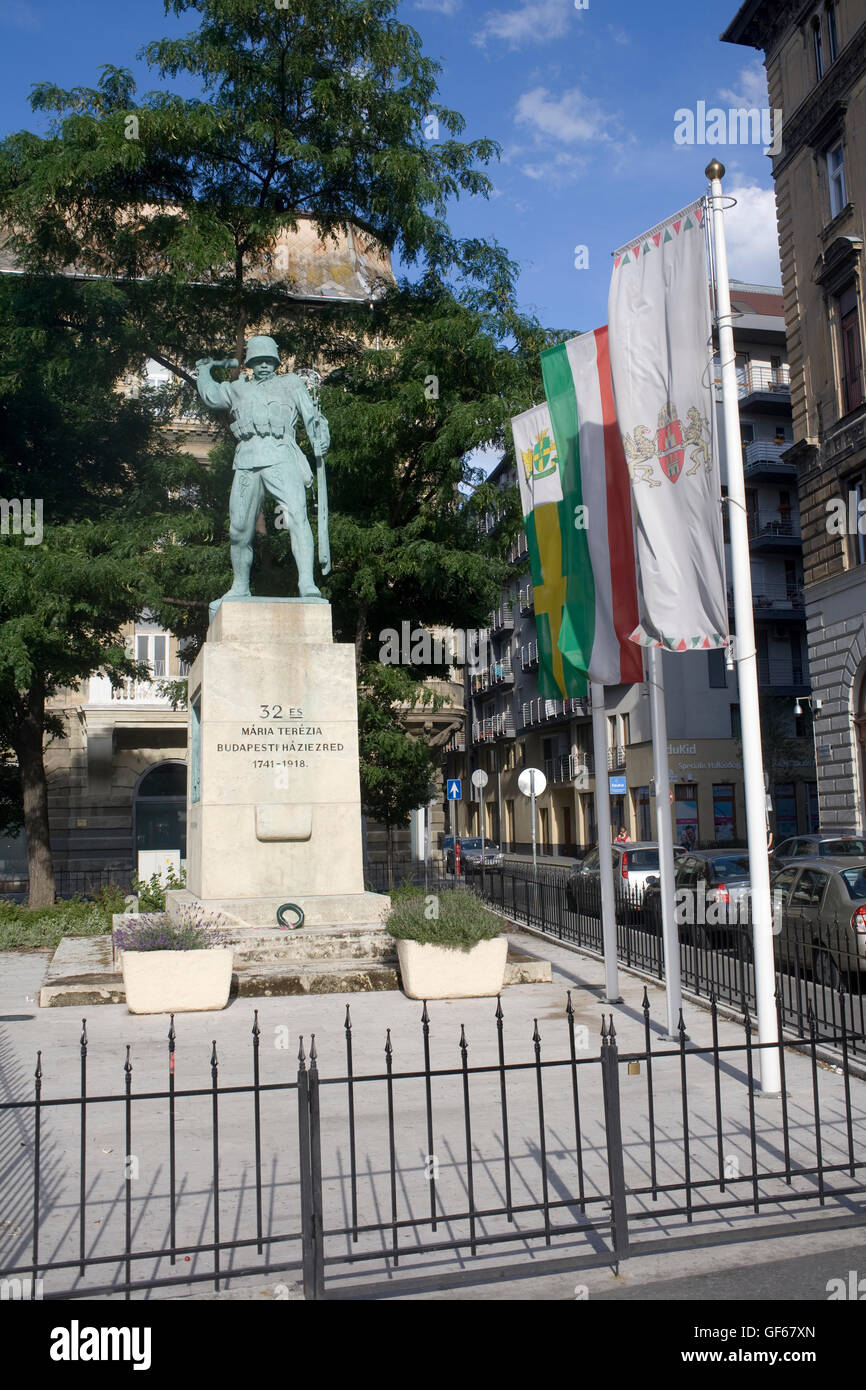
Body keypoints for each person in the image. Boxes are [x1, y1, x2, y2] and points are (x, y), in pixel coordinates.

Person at [196, 336, 330, 601]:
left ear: (277, 363)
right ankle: (240, 586)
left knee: (297, 519)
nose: (265, 366)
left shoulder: (291, 384)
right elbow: (211, 396)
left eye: (269, 361)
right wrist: (203, 371)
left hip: (282, 456)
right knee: (238, 530)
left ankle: (306, 583)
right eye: (259, 362)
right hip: (247, 459)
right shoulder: (237, 389)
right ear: (251, 364)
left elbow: (312, 417)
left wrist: (320, 436)